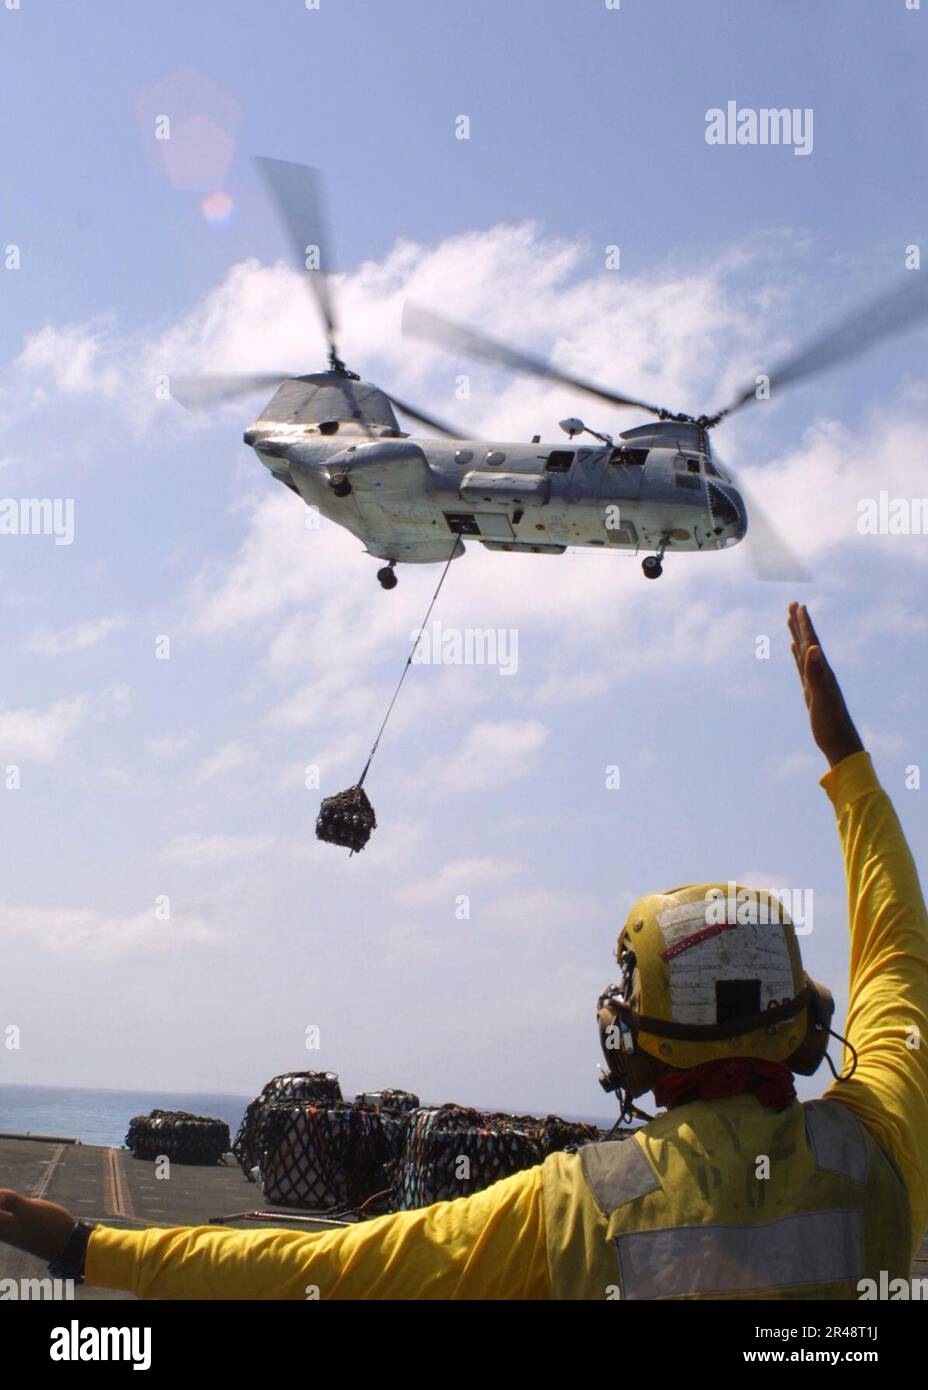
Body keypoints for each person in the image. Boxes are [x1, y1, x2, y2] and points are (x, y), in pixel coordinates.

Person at [2, 603, 926, 1299]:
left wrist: (86, 1246)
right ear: (800, 1021)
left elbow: (320, 1267)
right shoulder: (879, 1146)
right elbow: (897, 959)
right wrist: (853, 774)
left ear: (635, 1042)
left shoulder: (575, 1206)